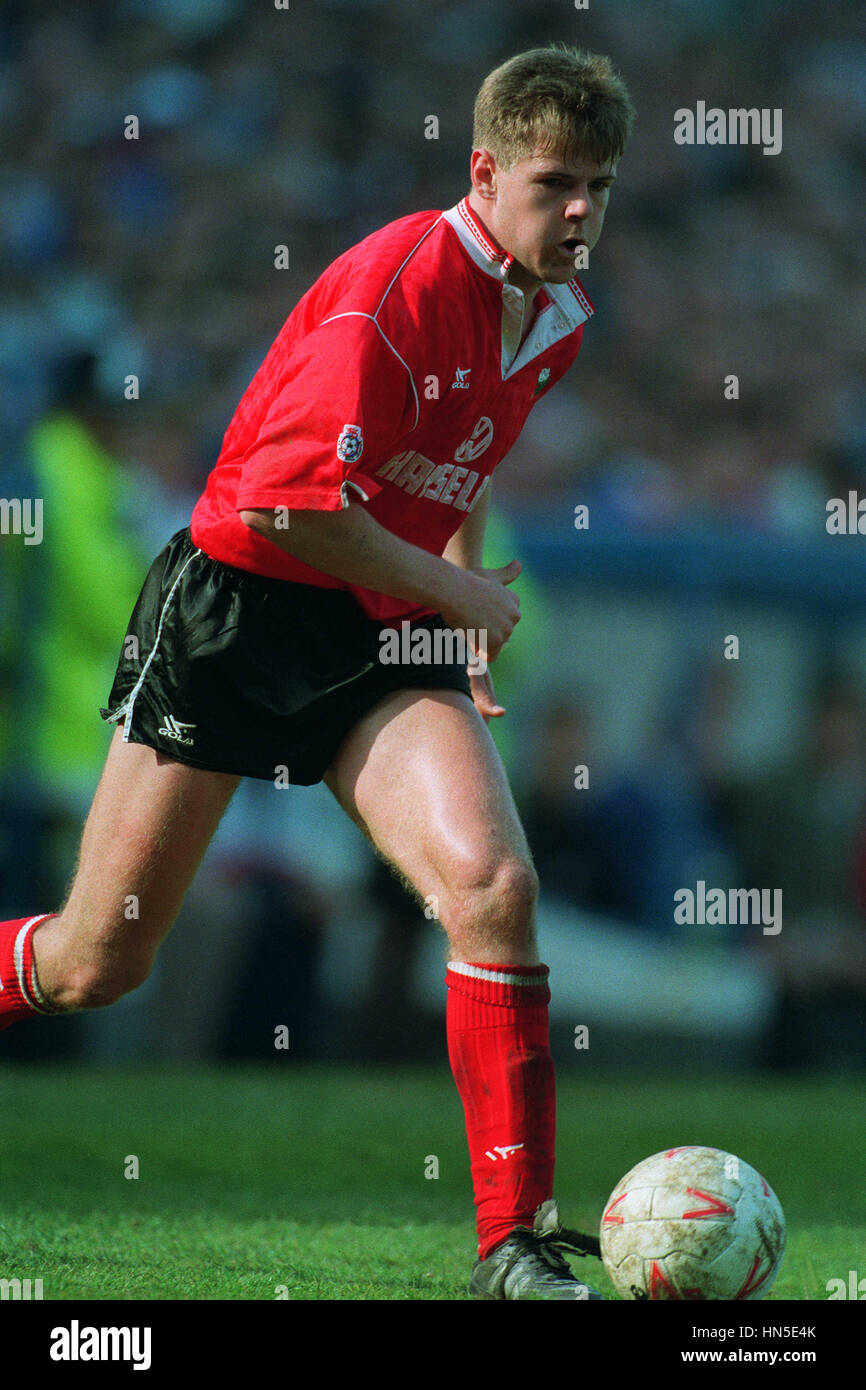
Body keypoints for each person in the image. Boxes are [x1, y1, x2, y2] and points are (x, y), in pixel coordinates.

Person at [0, 44, 634, 1299]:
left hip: (382, 626)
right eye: (555, 180)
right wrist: (456, 588)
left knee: (495, 885)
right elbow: (291, 509)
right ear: (484, 170)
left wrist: (448, 595)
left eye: (599, 185)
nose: (579, 210)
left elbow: (457, 453)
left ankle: (513, 1249)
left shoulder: (555, 313)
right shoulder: (394, 289)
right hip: (238, 613)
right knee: (94, 965)